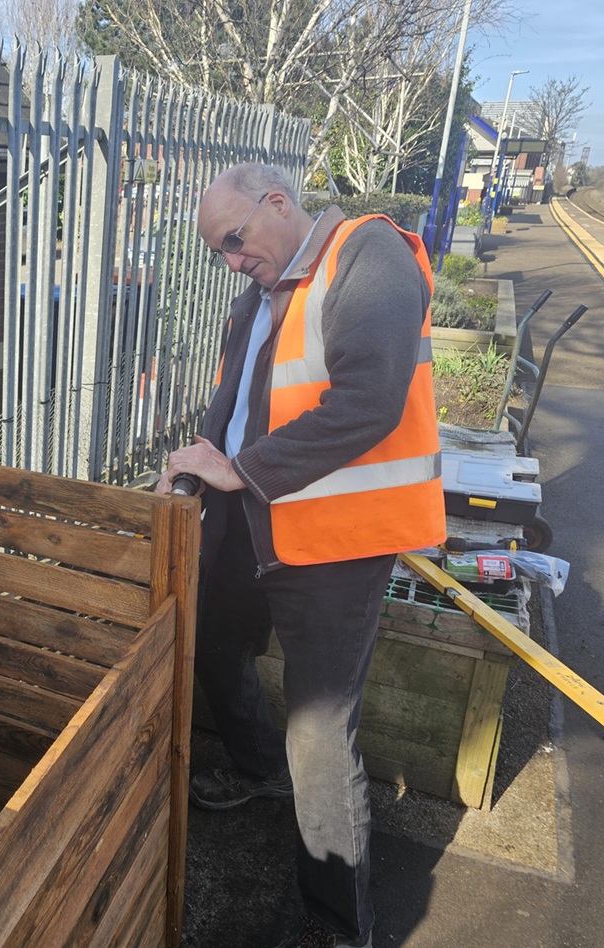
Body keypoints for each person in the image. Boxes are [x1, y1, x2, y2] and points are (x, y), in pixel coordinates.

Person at [156, 163, 445, 948]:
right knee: (211, 646)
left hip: (334, 548)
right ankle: (254, 771)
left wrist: (239, 470)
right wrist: (198, 461)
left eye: (234, 240)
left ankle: (333, 922)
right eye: (219, 251)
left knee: (318, 735)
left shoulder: (367, 256)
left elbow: (367, 402)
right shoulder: (260, 295)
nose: (229, 261)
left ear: (276, 202)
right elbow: (242, 406)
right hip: (248, 526)